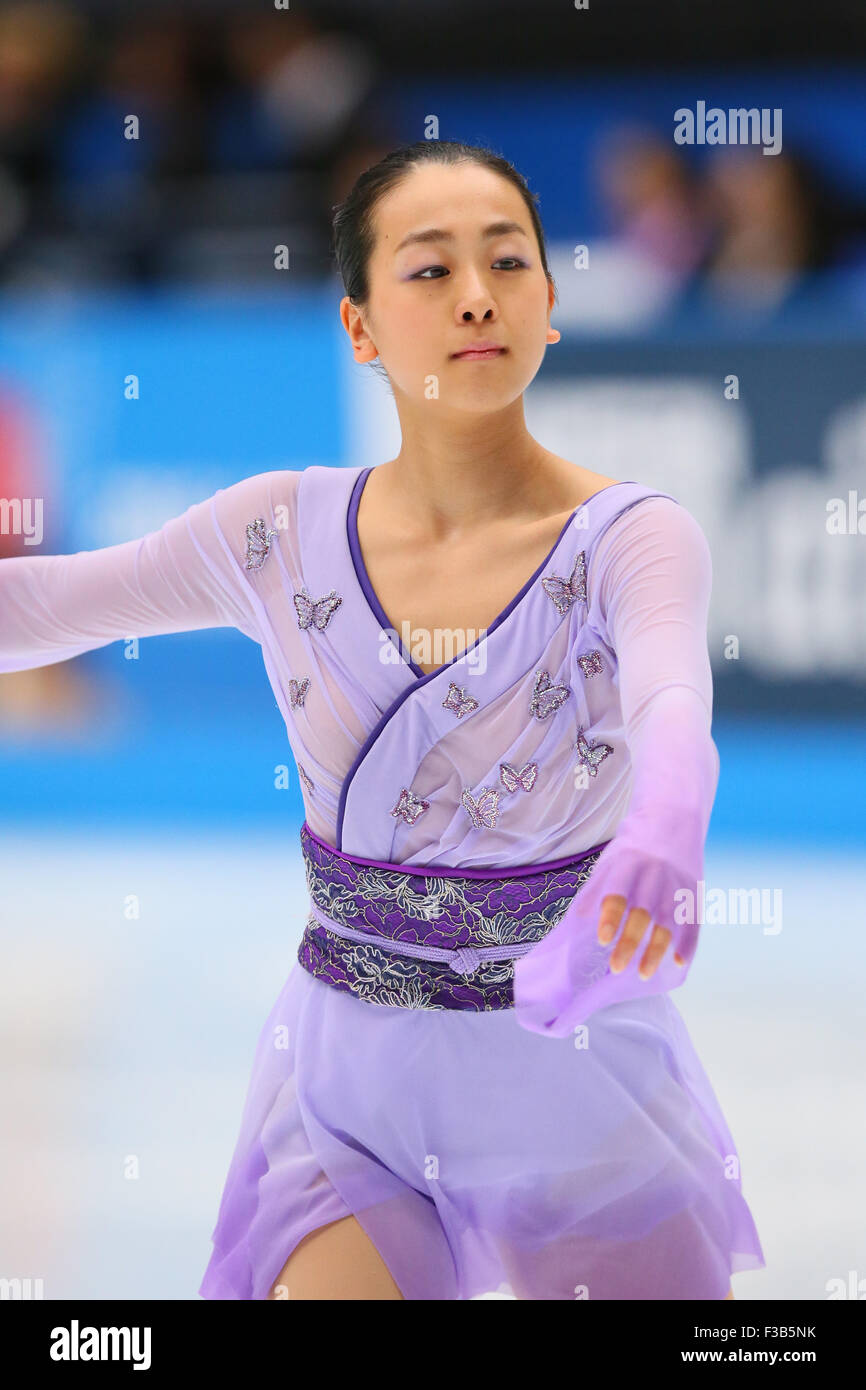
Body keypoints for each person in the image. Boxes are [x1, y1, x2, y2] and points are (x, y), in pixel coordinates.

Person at [0, 139, 765, 1300]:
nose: (474, 295)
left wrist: (668, 819)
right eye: (427, 269)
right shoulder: (272, 533)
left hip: (574, 1075)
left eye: (507, 263)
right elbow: (47, 604)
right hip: (348, 1075)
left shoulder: (628, 536)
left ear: (549, 306)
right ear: (357, 326)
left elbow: (671, 695)